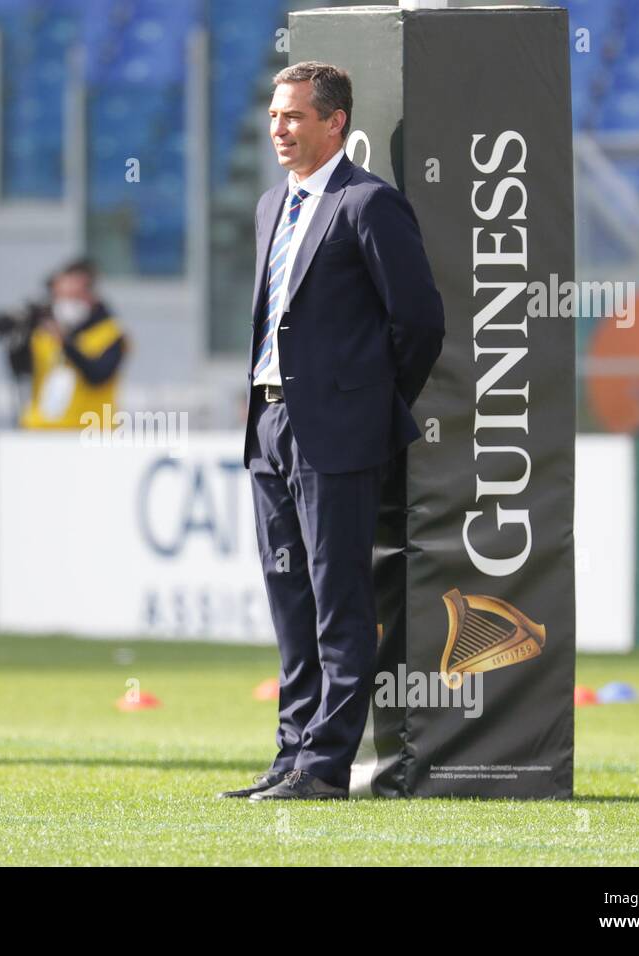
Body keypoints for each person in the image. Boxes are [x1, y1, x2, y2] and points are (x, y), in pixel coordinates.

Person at [220, 62, 445, 801]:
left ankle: (325, 766)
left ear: (334, 122)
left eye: (294, 117)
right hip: (270, 424)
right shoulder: (269, 208)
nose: (279, 129)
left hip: (338, 432)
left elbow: (418, 322)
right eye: (275, 117)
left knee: (338, 597)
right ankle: (292, 753)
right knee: (290, 597)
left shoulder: (368, 204)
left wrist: (368, 402)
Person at [15, 258, 127, 429]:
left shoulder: (110, 334)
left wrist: (66, 344)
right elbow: (22, 370)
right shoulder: (43, 334)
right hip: (42, 429)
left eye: (73, 296)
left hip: (91, 431)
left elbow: (98, 375)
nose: (64, 303)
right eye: (59, 296)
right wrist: (21, 332)